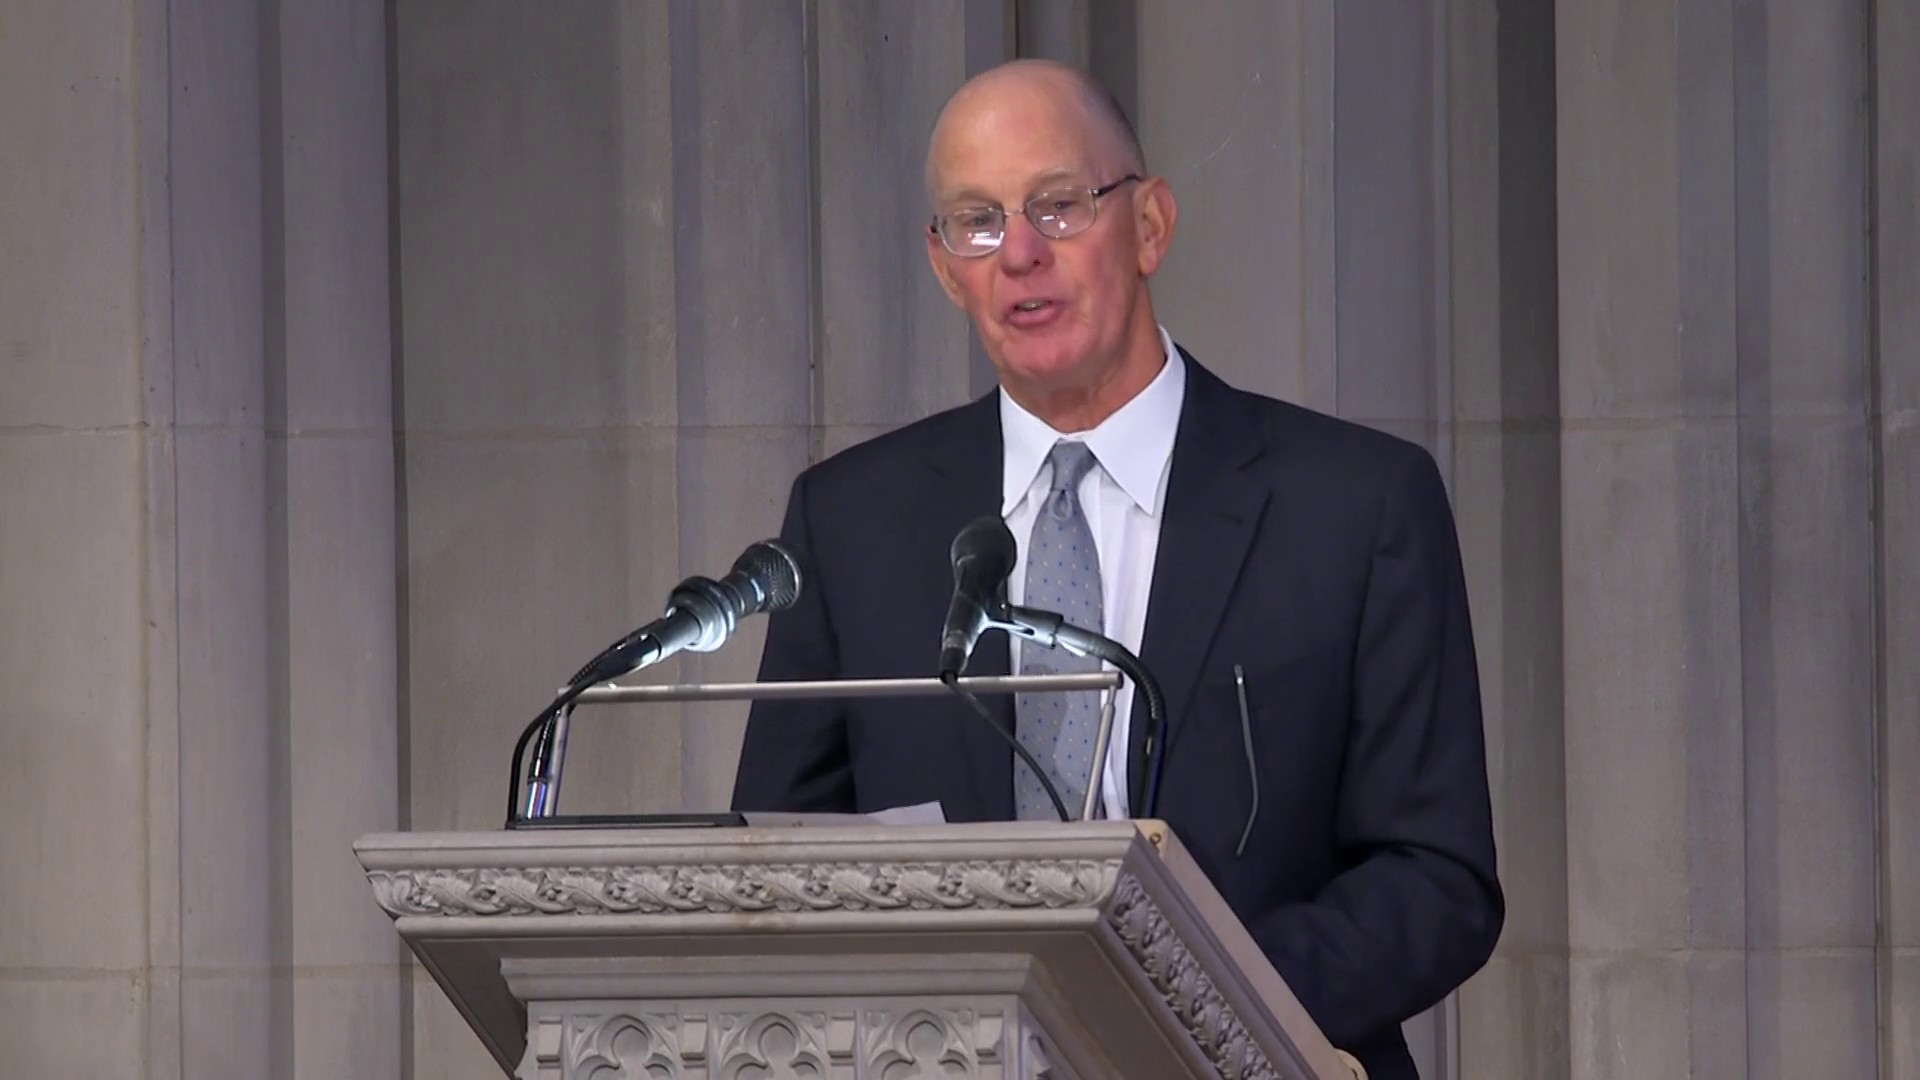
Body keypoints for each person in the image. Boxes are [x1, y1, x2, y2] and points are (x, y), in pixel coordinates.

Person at [731, 59, 1501, 1078]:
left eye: (1058, 206)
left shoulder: (1355, 505)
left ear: (1149, 226)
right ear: (944, 267)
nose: (1019, 255)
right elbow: (779, 867)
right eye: (977, 222)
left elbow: (1437, 878)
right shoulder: (850, 521)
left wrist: (1183, 1007)